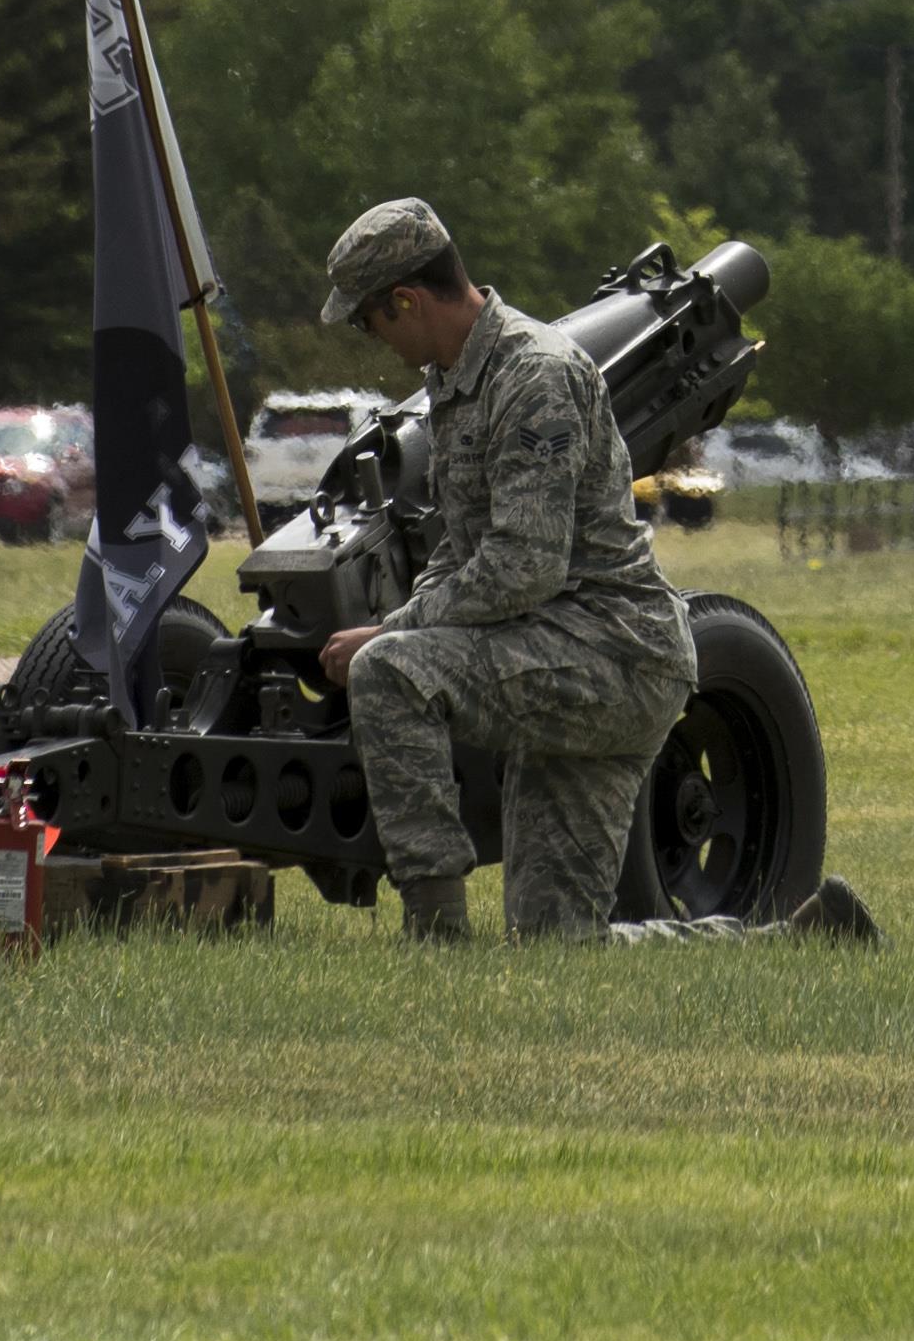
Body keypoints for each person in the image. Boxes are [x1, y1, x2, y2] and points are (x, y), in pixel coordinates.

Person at [307, 195, 869, 947]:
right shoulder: (456, 380)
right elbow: (461, 547)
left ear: (405, 301)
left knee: (388, 672)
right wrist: (407, 621)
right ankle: (803, 939)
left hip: (612, 655)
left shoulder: (533, 375)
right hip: (559, 655)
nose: (371, 338)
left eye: (367, 320)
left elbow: (523, 567)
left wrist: (391, 633)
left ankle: (435, 934)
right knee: (556, 942)